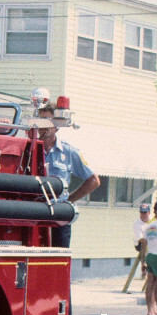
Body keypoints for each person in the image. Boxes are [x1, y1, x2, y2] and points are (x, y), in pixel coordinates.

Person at [35, 105, 100, 248]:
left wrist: (69, 200)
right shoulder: (29, 149)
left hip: (59, 217)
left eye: (47, 120)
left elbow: (93, 181)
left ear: (57, 126)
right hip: (34, 214)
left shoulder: (69, 152)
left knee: (58, 263)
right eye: (40, 120)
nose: (43, 125)